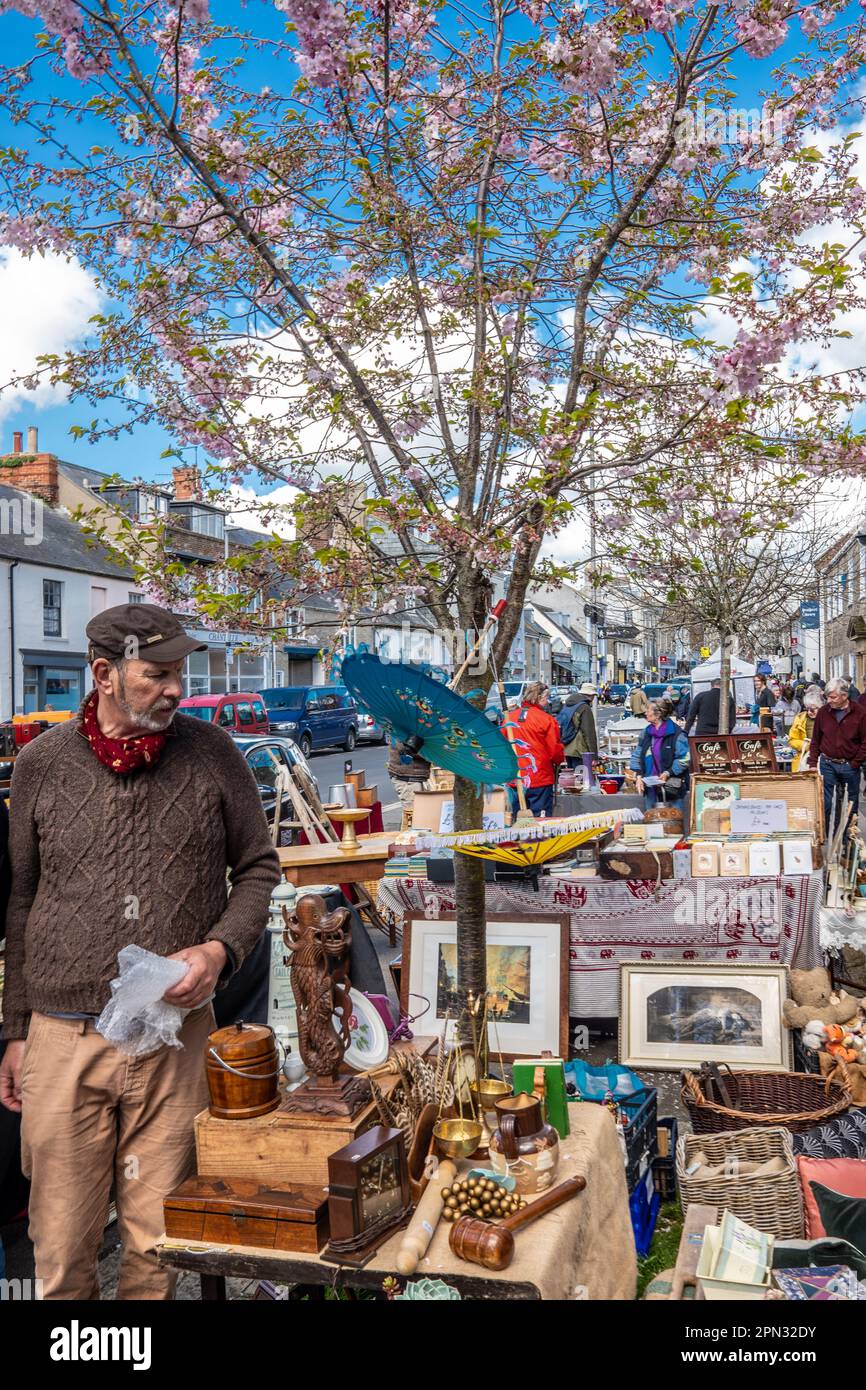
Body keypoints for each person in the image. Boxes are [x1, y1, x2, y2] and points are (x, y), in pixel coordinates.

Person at [0, 602, 281, 1300]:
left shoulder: (213, 753)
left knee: (159, 1249)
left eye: (178, 673)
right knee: (62, 1252)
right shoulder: (39, 765)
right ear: (104, 673)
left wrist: (219, 950)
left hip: (175, 1040)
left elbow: (259, 868)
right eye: (156, 675)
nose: (176, 690)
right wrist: (14, 1030)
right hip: (63, 1039)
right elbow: (21, 900)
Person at [807, 676, 866, 835]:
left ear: (844, 696)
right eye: (827, 697)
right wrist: (813, 764)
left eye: (833, 697)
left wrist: (855, 763)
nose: (829, 700)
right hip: (828, 763)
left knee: (850, 804)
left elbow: (865, 742)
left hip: (849, 765)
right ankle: (827, 836)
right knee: (827, 802)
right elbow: (816, 740)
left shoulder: (859, 712)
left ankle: (848, 837)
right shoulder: (823, 713)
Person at [502, 681, 564, 818]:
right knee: (540, 820)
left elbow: (501, 746)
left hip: (516, 777)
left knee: (517, 819)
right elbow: (555, 750)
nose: (548, 702)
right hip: (539, 776)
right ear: (540, 697)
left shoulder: (509, 718)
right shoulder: (546, 719)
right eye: (546, 698)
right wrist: (559, 760)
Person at [629, 698, 690, 814]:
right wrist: (638, 776)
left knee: (672, 824)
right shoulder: (646, 733)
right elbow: (637, 754)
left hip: (671, 787)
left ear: (658, 714)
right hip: (650, 787)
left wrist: (668, 773)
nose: (645, 712)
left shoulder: (677, 734)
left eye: (648, 710)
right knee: (652, 822)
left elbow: (684, 758)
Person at [560, 683, 599, 787]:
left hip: (567, 747)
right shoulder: (584, 708)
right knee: (581, 781)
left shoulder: (568, 704)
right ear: (591, 696)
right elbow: (589, 733)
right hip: (580, 750)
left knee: (572, 780)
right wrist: (594, 756)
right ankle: (580, 802)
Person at [388, 739, 432, 821]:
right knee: (413, 818)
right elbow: (405, 750)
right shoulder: (403, 731)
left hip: (414, 776)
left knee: (418, 817)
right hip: (408, 778)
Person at [788, 685, 825, 771]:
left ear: (820, 707)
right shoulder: (800, 718)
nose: (809, 712)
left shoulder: (827, 718)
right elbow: (792, 740)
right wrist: (807, 745)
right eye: (807, 709)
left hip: (825, 760)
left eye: (812, 710)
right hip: (804, 759)